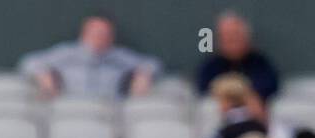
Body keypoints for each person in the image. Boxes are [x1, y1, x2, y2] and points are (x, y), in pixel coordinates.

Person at [18, 14, 161, 99]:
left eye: (103, 34)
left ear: (111, 37)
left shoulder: (119, 56)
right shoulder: (67, 52)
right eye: (94, 33)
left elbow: (152, 63)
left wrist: (143, 75)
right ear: (84, 34)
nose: (98, 38)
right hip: (71, 109)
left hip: (110, 113)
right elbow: (28, 62)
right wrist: (44, 76)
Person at [196, 11, 279, 100]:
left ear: (246, 37)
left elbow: (269, 85)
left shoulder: (260, 63)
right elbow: (203, 88)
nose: (232, 41)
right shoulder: (211, 66)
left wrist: (249, 96)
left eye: (236, 35)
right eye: (227, 37)